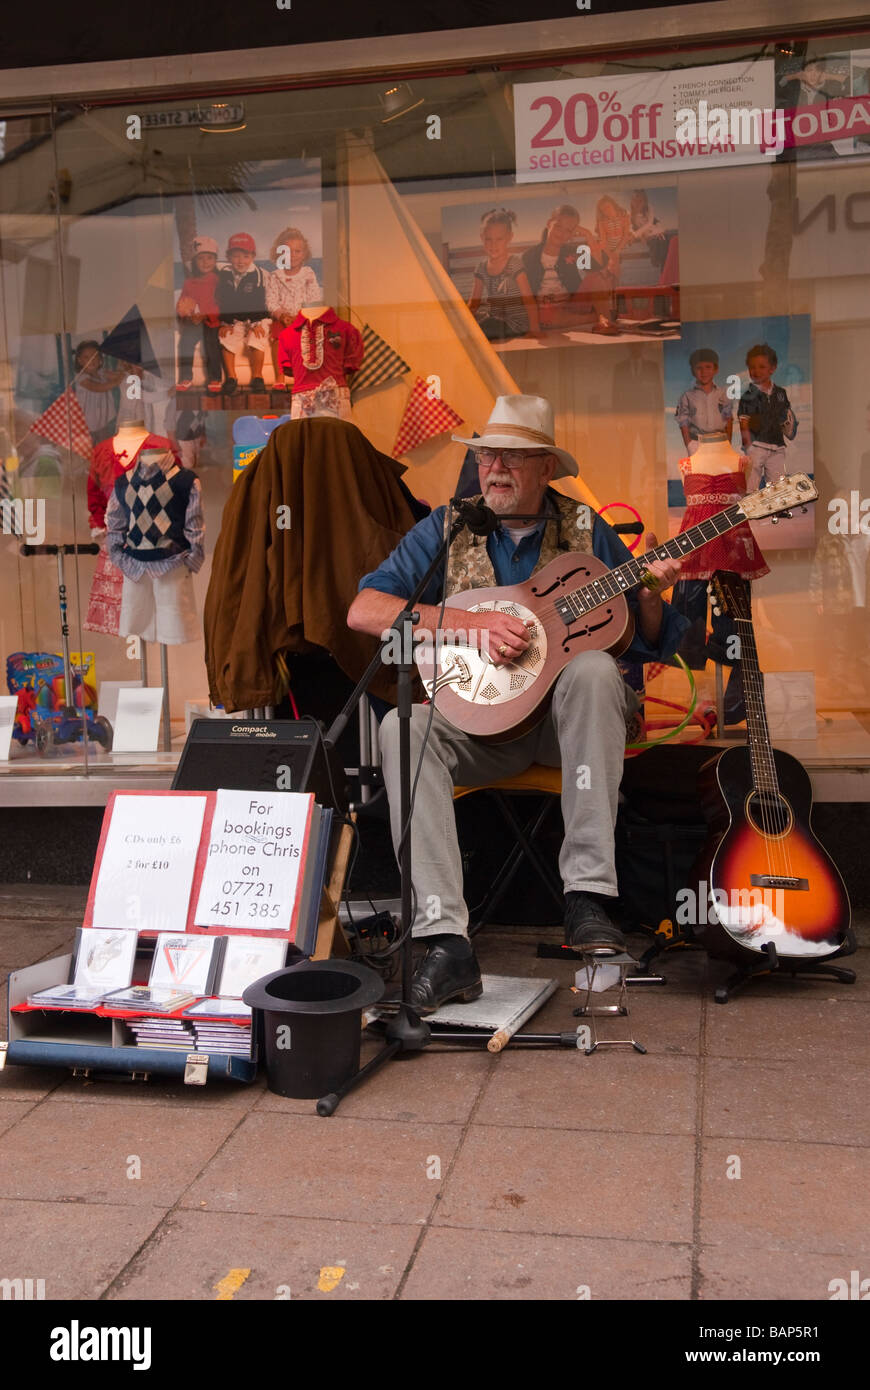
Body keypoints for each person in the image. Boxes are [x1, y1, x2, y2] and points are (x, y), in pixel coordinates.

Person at [347, 395, 687, 1014]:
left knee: (589, 669)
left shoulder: (587, 531)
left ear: (546, 468)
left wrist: (652, 593)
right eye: (485, 454)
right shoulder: (447, 526)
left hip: (568, 730)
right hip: (482, 727)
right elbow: (365, 609)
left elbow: (649, 638)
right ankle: (444, 939)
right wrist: (462, 621)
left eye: (511, 455)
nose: (493, 466)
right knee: (401, 727)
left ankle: (588, 897)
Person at [467, 208, 540, 341]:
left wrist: (534, 328)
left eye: (499, 239)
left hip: (515, 323)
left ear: (509, 238)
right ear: (482, 238)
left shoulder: (514, 263)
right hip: (494, 317)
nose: (493, 244)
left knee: (483, 329)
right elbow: (474, 303)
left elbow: (528, 298)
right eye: (488, 239)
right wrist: (465, 323)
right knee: (469, 323)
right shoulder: (481, 267)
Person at [215, 232, 271, 395]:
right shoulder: (224, 273)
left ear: (253, 256)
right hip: (235, 318)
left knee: (257, 337)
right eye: (236, 256)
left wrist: (255, 324)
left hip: (258, 316)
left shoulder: (260, 274)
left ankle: (257, 377)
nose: (240, 261)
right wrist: (225, 322)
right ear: (228, 257)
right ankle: (231, 378)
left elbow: (260, 301)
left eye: (245, 256)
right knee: (226, 337)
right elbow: (223, 300)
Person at [267, 227, 322, 389]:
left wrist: (302, 316)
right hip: (282, 318)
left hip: (303, 317)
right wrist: (283, 316)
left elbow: (314, 298)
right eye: (287, 251)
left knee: (309, 337)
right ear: (279, 254)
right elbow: (271, 302)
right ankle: (280, 375)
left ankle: (305, 374)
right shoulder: (275, 276)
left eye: (297, 251)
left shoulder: (308, 273)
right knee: (277, 337)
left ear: (304, 254)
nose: (292, 256)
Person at [738, 343, 797, 491]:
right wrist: (748, 446)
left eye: (761, 367)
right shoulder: (748, 396)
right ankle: (750, 512)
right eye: (752, 367)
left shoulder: (780, 393)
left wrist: (789, 427)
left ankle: (777, 510)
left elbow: (786, 417)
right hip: (756, 445)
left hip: (777, 445)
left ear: (772, 368)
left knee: (778, 484)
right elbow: (744, 423)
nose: (756, 371)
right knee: (751, 484)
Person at [176, 235, 222, 393]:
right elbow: (182, 303)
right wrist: (186, 314)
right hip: (194, 322)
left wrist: (206, 314)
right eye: (201, 258)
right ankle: (186, 378)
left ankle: (215, 378)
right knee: (185, 343)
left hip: (212, 321)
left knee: (211, 345)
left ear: (215, 261)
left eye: (209, 258)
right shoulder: (189, 282)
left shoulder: (218, 280)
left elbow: (222, 304)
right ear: (195, 261)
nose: (205, 262)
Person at [675, 348, 733, 454]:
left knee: (719, 470)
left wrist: (728, 442)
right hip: (697, 443)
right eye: (699, 368)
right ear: (693, 371)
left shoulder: (723, 394)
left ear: (716, 369)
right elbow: (683, 422)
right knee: (700, 470)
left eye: (708, 367)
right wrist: (689, 444)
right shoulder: (687, 396)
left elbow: (728, 420)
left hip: (720, 442)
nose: (704, 371)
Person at [72, 341, 124, 443]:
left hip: (101, 421)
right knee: (87, 448)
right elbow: (97, 388)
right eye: (86, 357)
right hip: (85, 423)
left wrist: (123, 372)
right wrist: (116, 382)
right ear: (79, 361)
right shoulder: (81, 377)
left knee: (104, 445)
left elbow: (117, 375)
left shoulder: (101, 372)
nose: (91, 360)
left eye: (94, 356)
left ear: (100, 359)